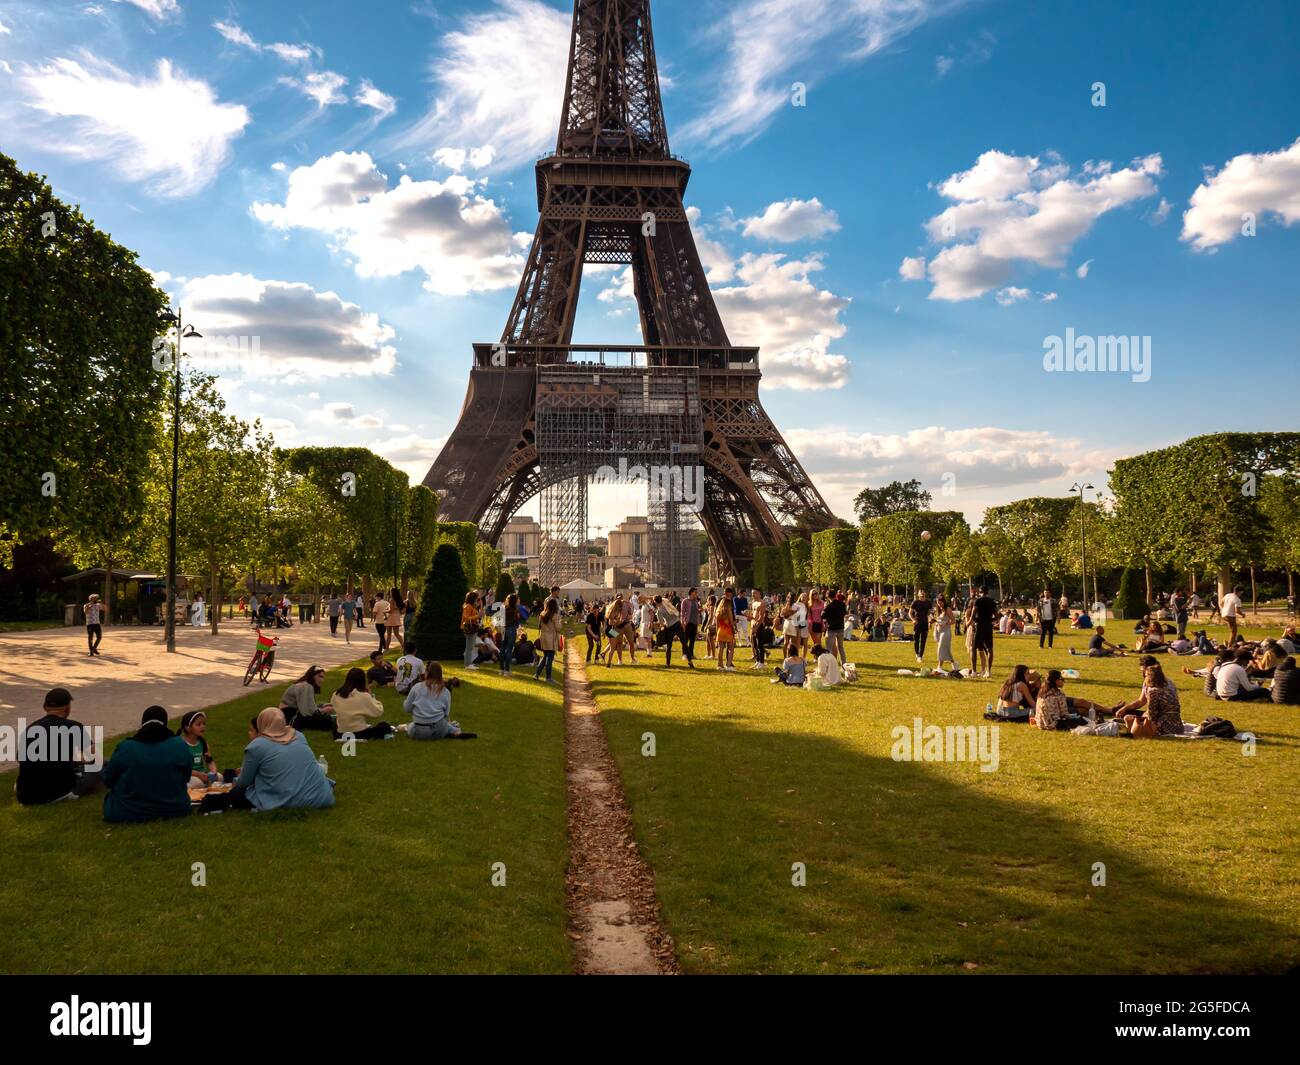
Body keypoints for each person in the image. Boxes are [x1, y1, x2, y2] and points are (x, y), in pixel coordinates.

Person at [230, 709, 336, 811]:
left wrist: (235, 781)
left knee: (235, 794)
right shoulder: (298, 735)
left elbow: (244, 782)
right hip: (320, 796)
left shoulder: (257, 746)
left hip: (290, 800)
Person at [102, 707, 193, 823]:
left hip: (126, 811)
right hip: (175, 808)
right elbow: (187, 776)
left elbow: (108, 779)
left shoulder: (126, 748)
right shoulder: (179, 746)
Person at [16, 687, 101, 805]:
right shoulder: (73, 727)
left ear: (45, 707)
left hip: (26, 794)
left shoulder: (29, 729)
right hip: (57, 792)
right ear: (67, 708)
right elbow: (94, 756)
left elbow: (22, 759)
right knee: (102, 765)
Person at [1111, 659, 1184, 737]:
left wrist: (1139, 720)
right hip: (1178, 726)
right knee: (1129, 715)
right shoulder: (1164, 688)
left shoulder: (1153, 692)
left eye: (1145, 675)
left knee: (1128, 718)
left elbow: (1152, 716)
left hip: (1164, 725)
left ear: (1150, 677)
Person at [403, 663, 475, 740]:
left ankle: (453, 729)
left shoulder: (416, 688)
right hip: (439, 731)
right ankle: (455, 730)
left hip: (418, 731)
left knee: (410, 726)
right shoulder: (445, 691)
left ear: (427, 673)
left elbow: (407, 708)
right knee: (448, 724)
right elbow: (446, 714)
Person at [332, 668, 394, 740]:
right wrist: (371, 696)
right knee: (384, 726)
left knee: (336, 723)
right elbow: (378, 711)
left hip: (340, 733)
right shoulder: (363, 696)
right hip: (359, 733)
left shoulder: (336, 694)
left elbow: (335, 707)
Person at [280, 665, 336, 731]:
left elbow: (306, 706)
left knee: (325, 719)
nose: (322, 680)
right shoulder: (307, 686)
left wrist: (322, 706)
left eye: (323, 677)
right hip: (290, 717)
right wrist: (324, 710)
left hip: (290, 714)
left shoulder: (305, 684)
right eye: (320, 676)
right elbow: (307, 712)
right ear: (313, 676)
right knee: (325, 720)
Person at [176, 710, 219, 790]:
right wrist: (199, 775)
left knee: (220, 777)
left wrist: (213, 771)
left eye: (204, 724)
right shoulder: (181, 744)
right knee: (198, 783)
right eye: (198, 724)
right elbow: (182, 768)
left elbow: (209, 761)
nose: (202, 726)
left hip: (203, 774)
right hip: (190, 775)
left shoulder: (203, 742)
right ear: (188, 728)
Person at [970, 586, 997, 677]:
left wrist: (976, 621)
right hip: (988, 626)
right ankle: (988, 671)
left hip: (980, 626)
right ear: (987, 592)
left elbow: (973, 615)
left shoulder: (977, 601)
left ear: (980, 592)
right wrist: (990, 620)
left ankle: (974, 671)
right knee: (990, 649)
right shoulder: (992, 601)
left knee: (973, 648)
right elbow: (996, 616)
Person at [534, 599, 562, 683]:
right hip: (551, 638)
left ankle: (536, 674)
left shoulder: (542, 614)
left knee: (545, 657)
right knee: (549, 658)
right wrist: (561, 622)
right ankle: (548, 678)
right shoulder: (555, 615)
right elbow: (558, 628)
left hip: (543, 637)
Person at [823, 592, 848, 667]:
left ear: (828, 597)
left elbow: (823, 616)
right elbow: (844, 613)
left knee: (829, 648)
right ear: (835, 596)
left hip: (831, 629)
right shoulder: (842, 604)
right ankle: (844, 664)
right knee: (841, 647)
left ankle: (830, 665)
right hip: (840, 628)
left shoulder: (828, 606)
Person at [932, 594, 956, 672]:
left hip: (946, 631)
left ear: (943, 602)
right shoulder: (938, 610)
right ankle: (954, 662)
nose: (939, 604)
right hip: (939, 631)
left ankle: (939, 666)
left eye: (940, 603)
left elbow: (953, 621)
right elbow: (938, 620)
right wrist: (933, 621)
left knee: (940, 649)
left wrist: (945, 623)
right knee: (946, 649)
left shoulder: (947, 609)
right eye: (937, 603)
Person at [501, 594, 521, 675]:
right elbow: (517, 622)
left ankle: (502, 669)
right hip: (511, 629)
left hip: (504, 629)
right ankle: (507, 670)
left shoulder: (504, 608)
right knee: (509, 650)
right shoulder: (515, 610)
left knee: (503, 649)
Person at [679, 588, 700, 666]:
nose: (696, 594)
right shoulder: (685, 601)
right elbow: (682, 613)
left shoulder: (696, 601)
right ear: (691, 593)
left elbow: (697, 612)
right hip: (688, 623)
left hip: (694, 623)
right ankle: (684, 654)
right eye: (695, 592)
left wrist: (698, 622)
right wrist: (682, 624)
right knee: (685, 640)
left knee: (692, 640)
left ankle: (691, 654)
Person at [460, 593, 480, 669]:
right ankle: (467, 665)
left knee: (470, 647)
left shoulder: (471, 606)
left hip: (472, 628)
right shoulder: (468, 606)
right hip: (470, 628)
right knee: (469, 647)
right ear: (473, 598)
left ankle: (469, 663)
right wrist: (477, 616)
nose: (477, 600)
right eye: (476, 598)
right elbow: (467, 618)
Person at [583, 601, 602, 665]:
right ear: (592, 610)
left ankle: (596, 659)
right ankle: (588, 660)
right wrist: (594, 635)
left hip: (597, 631)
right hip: (589, 632)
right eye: (594, 611)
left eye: (597, 611)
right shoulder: (589, 616)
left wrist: (604, 630)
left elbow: (604, 620)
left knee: (599, 645)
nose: (596, 613)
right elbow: (589, 628)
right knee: (591, 645)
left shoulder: (600, 614)